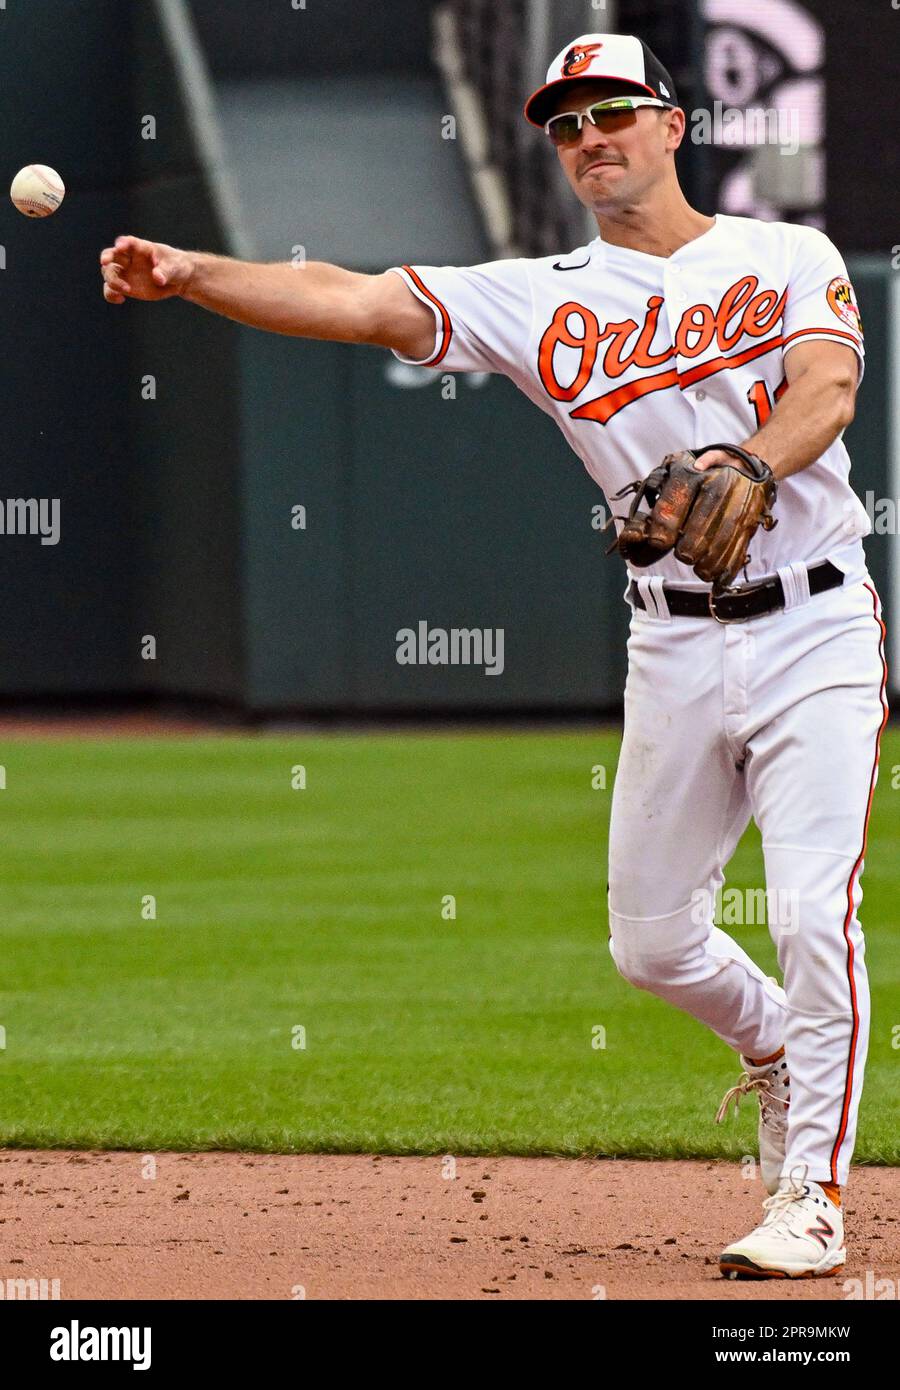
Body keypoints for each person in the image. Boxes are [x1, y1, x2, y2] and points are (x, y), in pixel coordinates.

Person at [100, 32, 887, 1280]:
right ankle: (781, 1047)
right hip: (674, 643)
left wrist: (749, 462)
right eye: (566, 126)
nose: (588, 140)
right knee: (653, 943)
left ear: (674, 124)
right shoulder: (546, 291)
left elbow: (828, 389)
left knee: (808, 910)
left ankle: (813, 1193)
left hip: (819, 628)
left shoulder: (787, 253)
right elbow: (360, 301)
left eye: (612, 113)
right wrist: (195, 271)